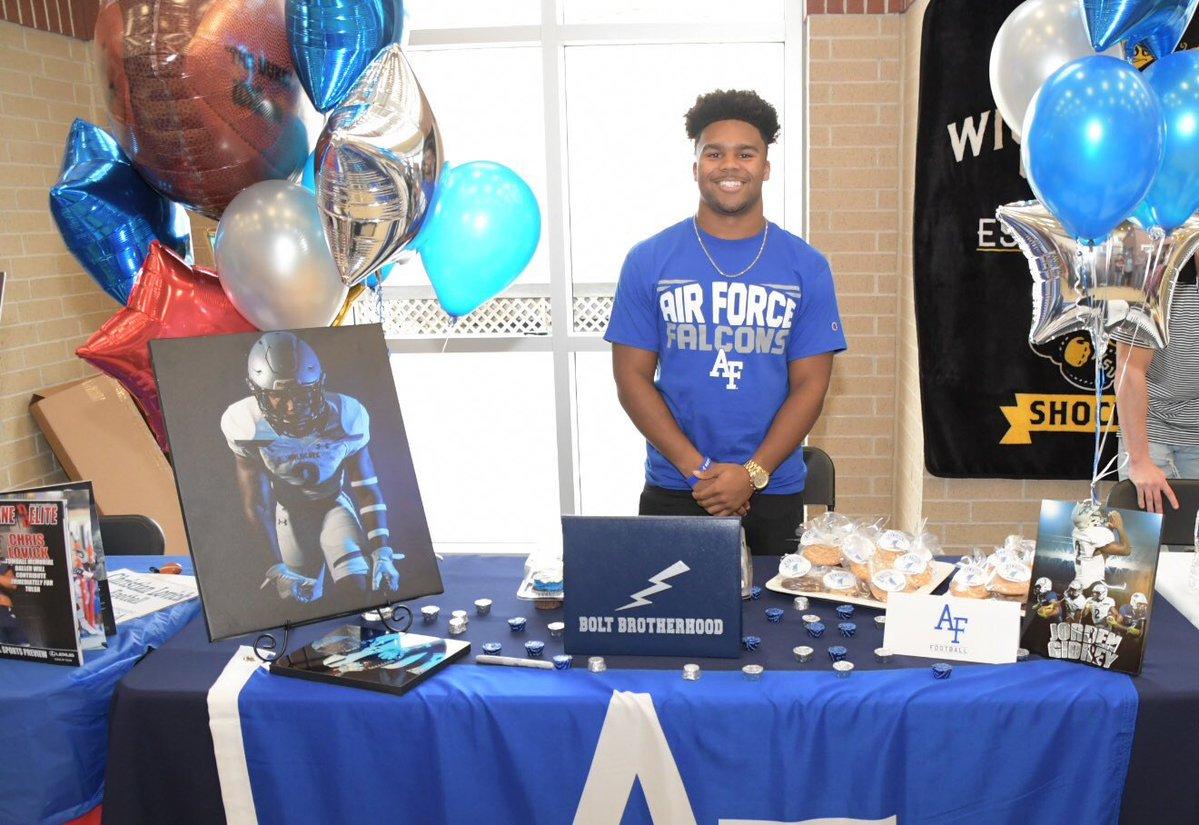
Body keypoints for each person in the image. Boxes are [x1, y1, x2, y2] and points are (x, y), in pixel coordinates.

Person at [604, 89, 846, 555]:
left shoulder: (806, 266)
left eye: (745, 153)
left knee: (774, 624)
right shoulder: (648, 260)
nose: (729, 166)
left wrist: (750, 475)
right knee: (669, 622)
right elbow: (631, 378)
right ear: (696, 167)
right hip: (676, 487)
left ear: (765, 167)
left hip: (771, 491)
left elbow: (810, 387)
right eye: (714, 153)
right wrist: (701, 473)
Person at [221, 332, 401, 605]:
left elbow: (366, 489)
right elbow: (256, 503)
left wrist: (382, 552)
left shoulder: (346, 416)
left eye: (302, 393)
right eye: (279, 397)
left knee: (356, 586)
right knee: (299, 598)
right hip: (288, 511)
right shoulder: (246, 424)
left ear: (318, 386)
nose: (292, 407)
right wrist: (274, 566)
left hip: (332, 503)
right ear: (257, 392)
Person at [1114, 266, 1199, 514]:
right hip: (1150, 429)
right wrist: (1140, 462)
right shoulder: (1151, 282)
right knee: (1144, 545)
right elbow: (1130, 369)